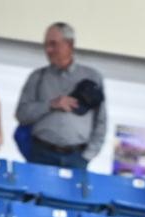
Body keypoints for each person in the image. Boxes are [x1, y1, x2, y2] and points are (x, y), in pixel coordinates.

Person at [15, 23, 106, 169]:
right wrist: (51, 104)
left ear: (70, 44)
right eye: (46, 45)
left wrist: (87, 155)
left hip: (76, 158)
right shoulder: (37, 77)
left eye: (53, 44)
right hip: (41, 154)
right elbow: (21, 115)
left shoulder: (93, 77)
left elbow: (101, 121)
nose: (48, 50)